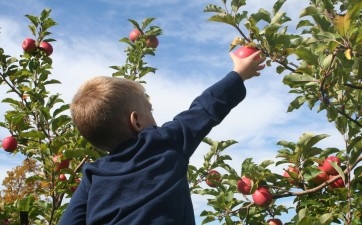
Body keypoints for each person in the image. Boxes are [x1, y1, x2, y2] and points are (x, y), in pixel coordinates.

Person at [59, 50, 266, 225]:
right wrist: (238, 74)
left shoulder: (93, 174)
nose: (154, 115)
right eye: (150, 110)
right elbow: (204, 109)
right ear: (137, 121)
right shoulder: (163, 142)